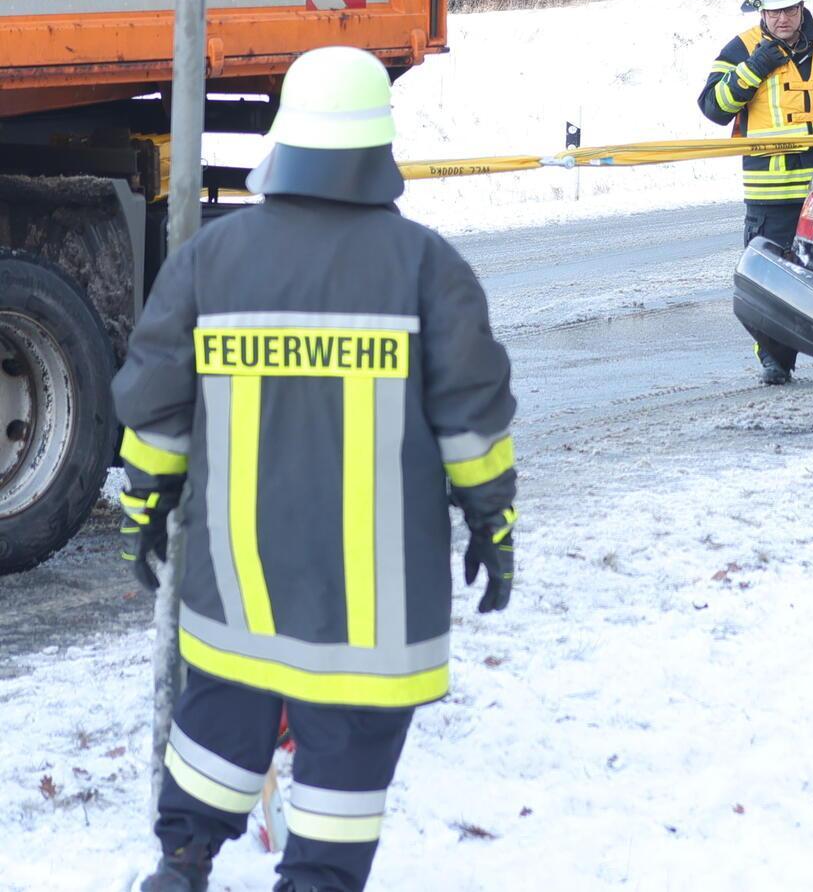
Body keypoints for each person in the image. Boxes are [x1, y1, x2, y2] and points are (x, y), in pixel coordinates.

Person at [114, 46, 518, 892]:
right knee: (347, 772)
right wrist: (493, 524)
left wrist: (144, 504)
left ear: (284, 139)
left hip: (239, 590)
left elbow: (156, 406)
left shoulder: (210, 259)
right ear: (379, 146)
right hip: (374, 612)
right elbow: (472, 423)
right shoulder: (427, 266)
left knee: (217, 724)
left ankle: (181, 866)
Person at [698, 0, 813, 384]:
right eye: (773, 11)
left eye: (789, 9)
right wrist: (754, 67)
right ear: (761, 11)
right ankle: (776, 360)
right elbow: (714, 108)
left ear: (802, 6)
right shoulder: (743, 48)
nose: (782, 19)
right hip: (771, 193)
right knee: (771, 279)